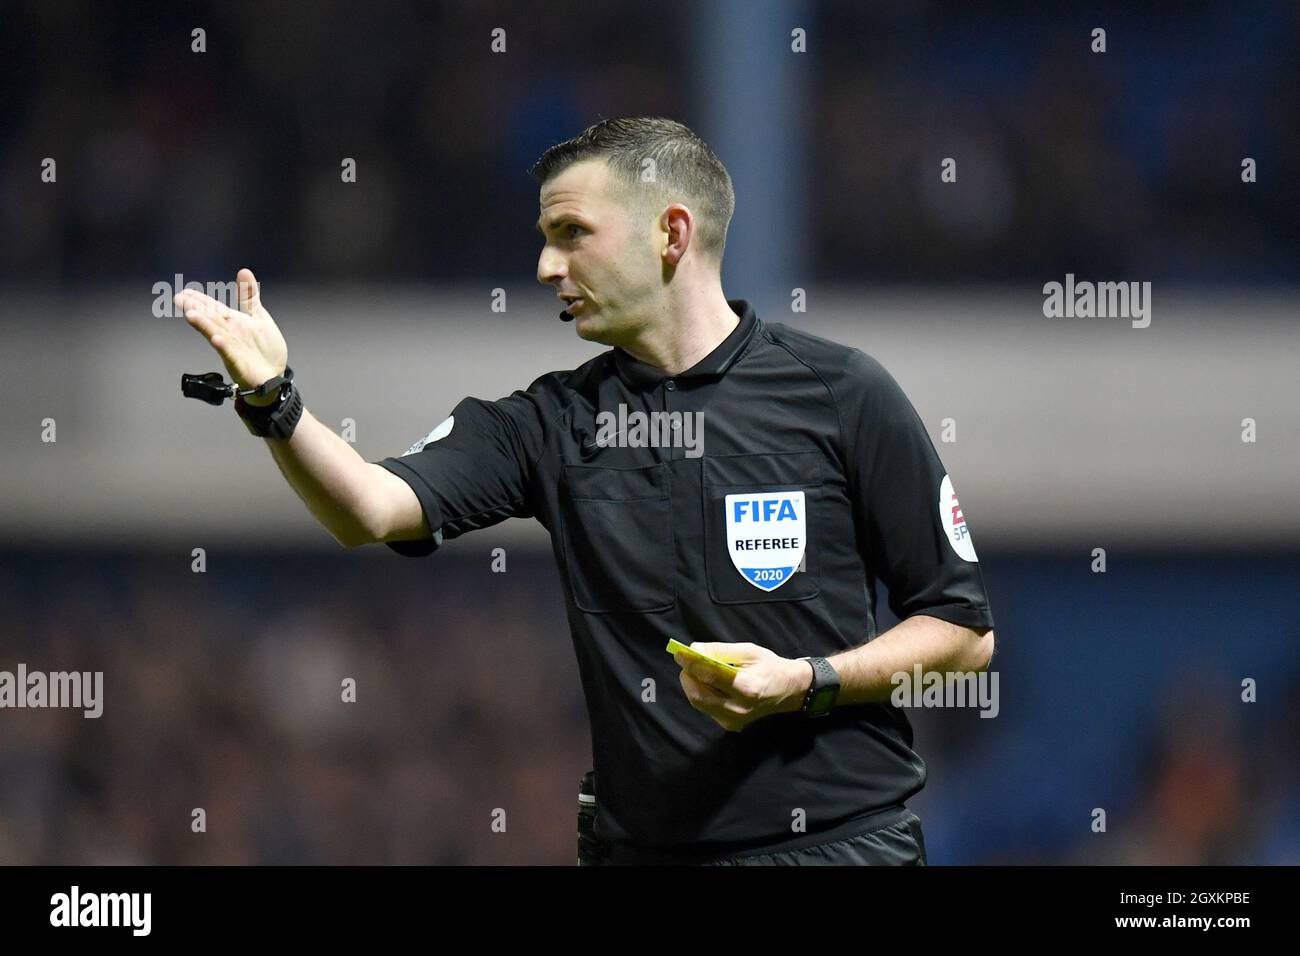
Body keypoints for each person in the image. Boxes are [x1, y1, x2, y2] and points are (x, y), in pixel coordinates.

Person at [176, 116, 996, 865]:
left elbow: (963, 637)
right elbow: (367, 508)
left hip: (835, 850)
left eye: (572, 234)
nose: (544, 266)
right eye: (543, 238)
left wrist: (807, 679)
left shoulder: (842, 394)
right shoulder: (551, 423)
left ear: (671, 234)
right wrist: (274, 401)